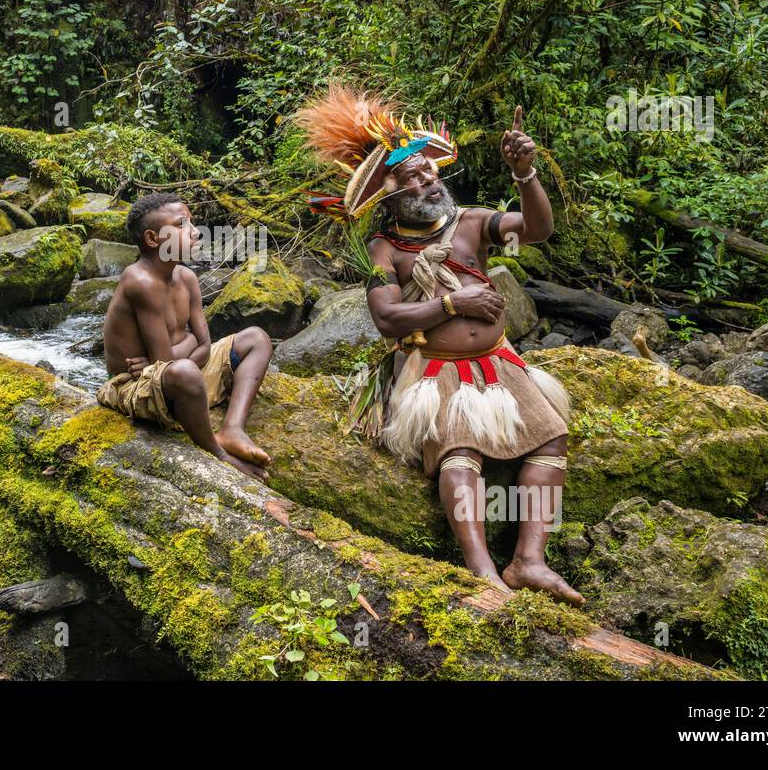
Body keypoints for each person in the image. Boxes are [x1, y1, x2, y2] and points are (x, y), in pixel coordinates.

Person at [296, 83, 582, 605]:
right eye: (412, 174)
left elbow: (537, 230)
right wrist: (454, 305)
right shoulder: (384, 249)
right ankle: (481, 571)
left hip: (499, 362)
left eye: (429, 168)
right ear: (390, 192)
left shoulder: (471, 222)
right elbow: (387, 320)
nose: (428, 177)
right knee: (459, 452)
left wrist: (525, 174)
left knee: (550, 438)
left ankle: (528, 561)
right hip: (434, 370)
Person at [97, 191, 274, 480]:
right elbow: (166, 363)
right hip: (135, 387)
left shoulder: (187, 278)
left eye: (192, 224)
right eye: (182, 226)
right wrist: (189, 344)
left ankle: (232, 429)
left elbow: (203, 346)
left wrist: (188, 345)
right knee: (185, 371)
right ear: (154, 240)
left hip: (174, 375)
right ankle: (217, 451)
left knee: (256, 338)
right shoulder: (140, 281)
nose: (195, 233)